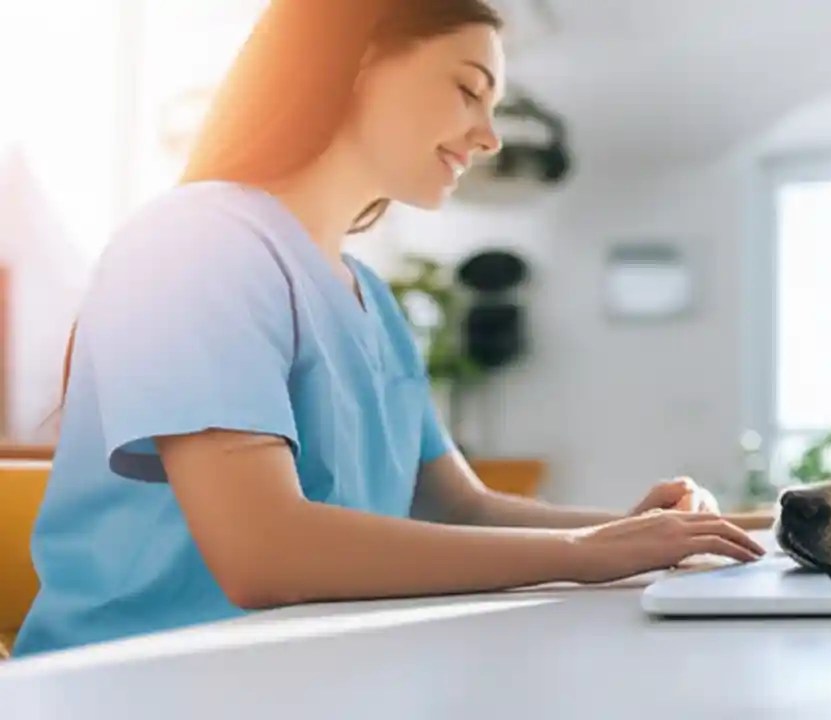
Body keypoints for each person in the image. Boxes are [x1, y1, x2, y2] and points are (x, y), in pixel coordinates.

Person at [13, 0, 764, 657]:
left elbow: (459, 506)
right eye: (469, 89)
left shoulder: (367, 293)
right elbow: (263, 552)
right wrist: (582, 552)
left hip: (295, 675)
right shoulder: (195, 244)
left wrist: (693, 536)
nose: (489, 136)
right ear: (360, 59)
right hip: (131, 687)